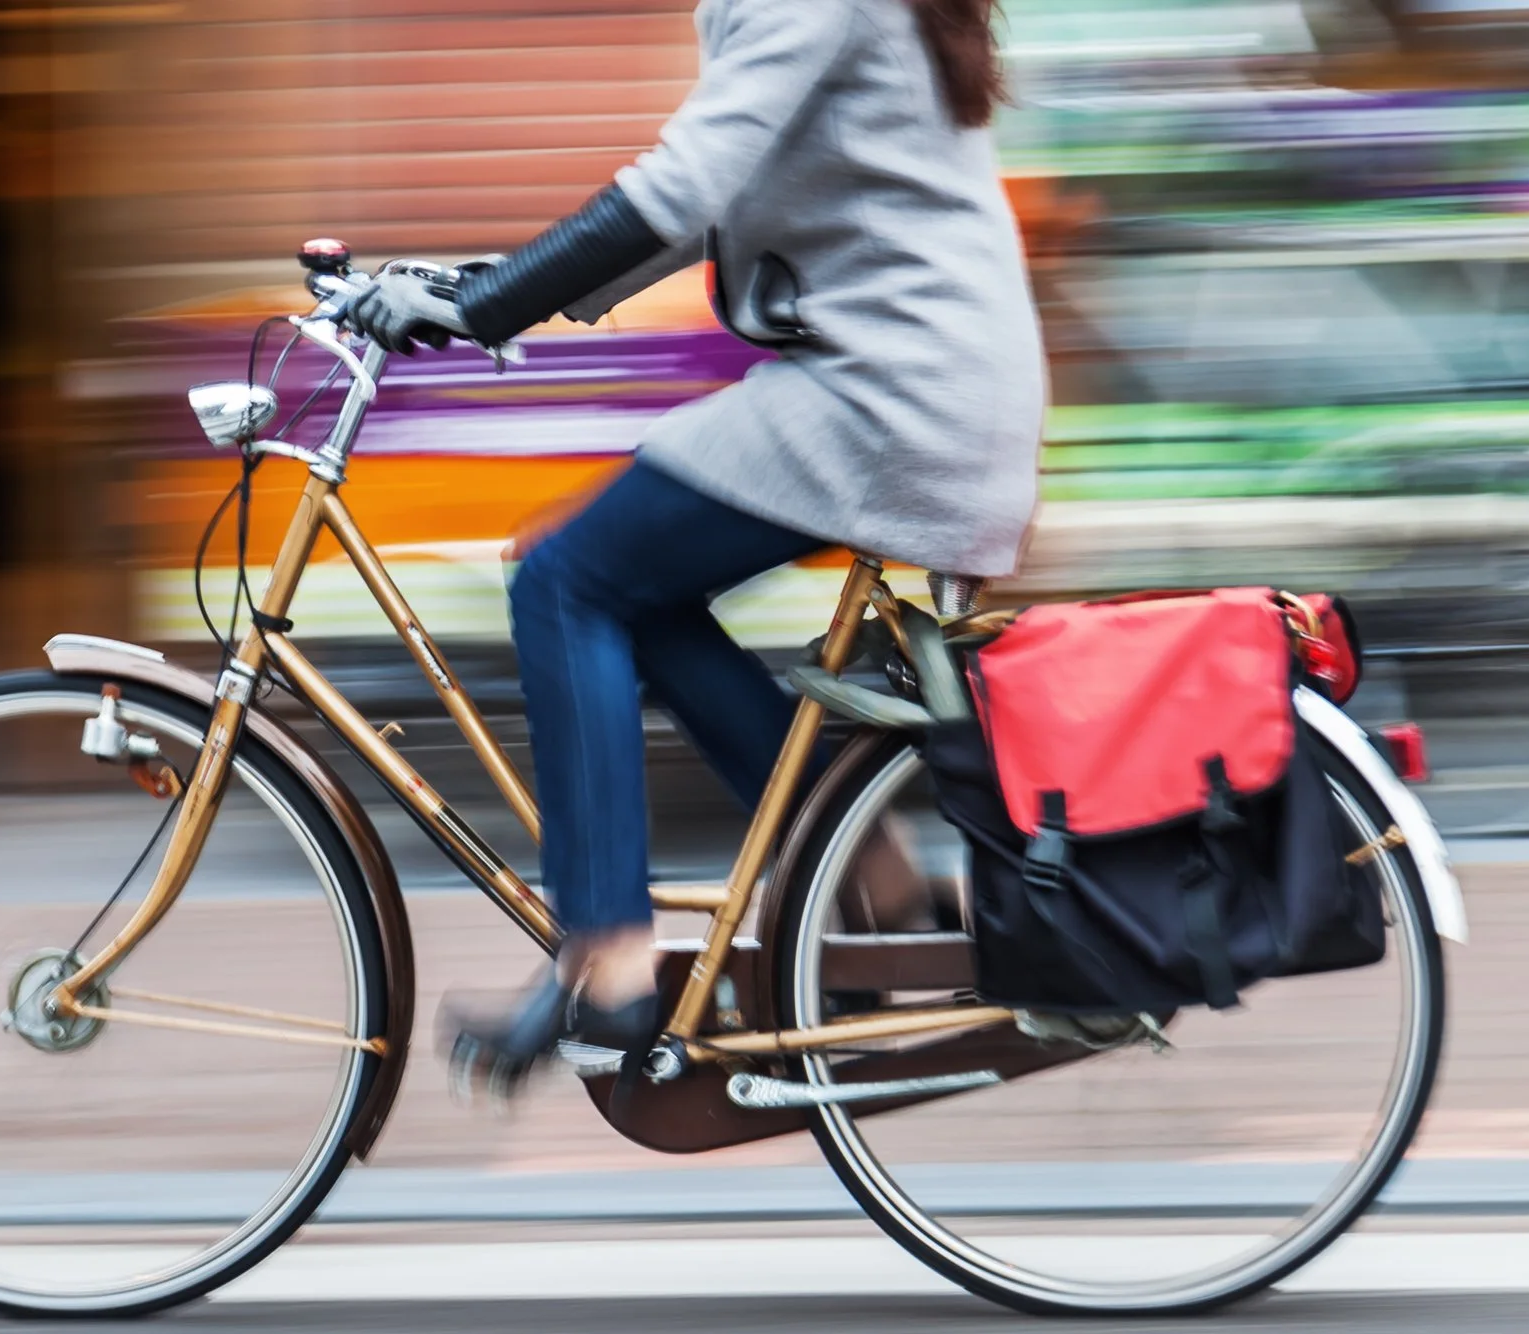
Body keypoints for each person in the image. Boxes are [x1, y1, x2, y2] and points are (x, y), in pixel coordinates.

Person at [343, 0, 1046, 1088]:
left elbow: (683, 183)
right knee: (627, 587)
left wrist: (488, 308)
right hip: (912, 383)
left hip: (889, 394)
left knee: (565, 579)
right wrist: (478, 287)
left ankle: (611, 962)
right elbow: (701, 197)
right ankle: (868, 869)